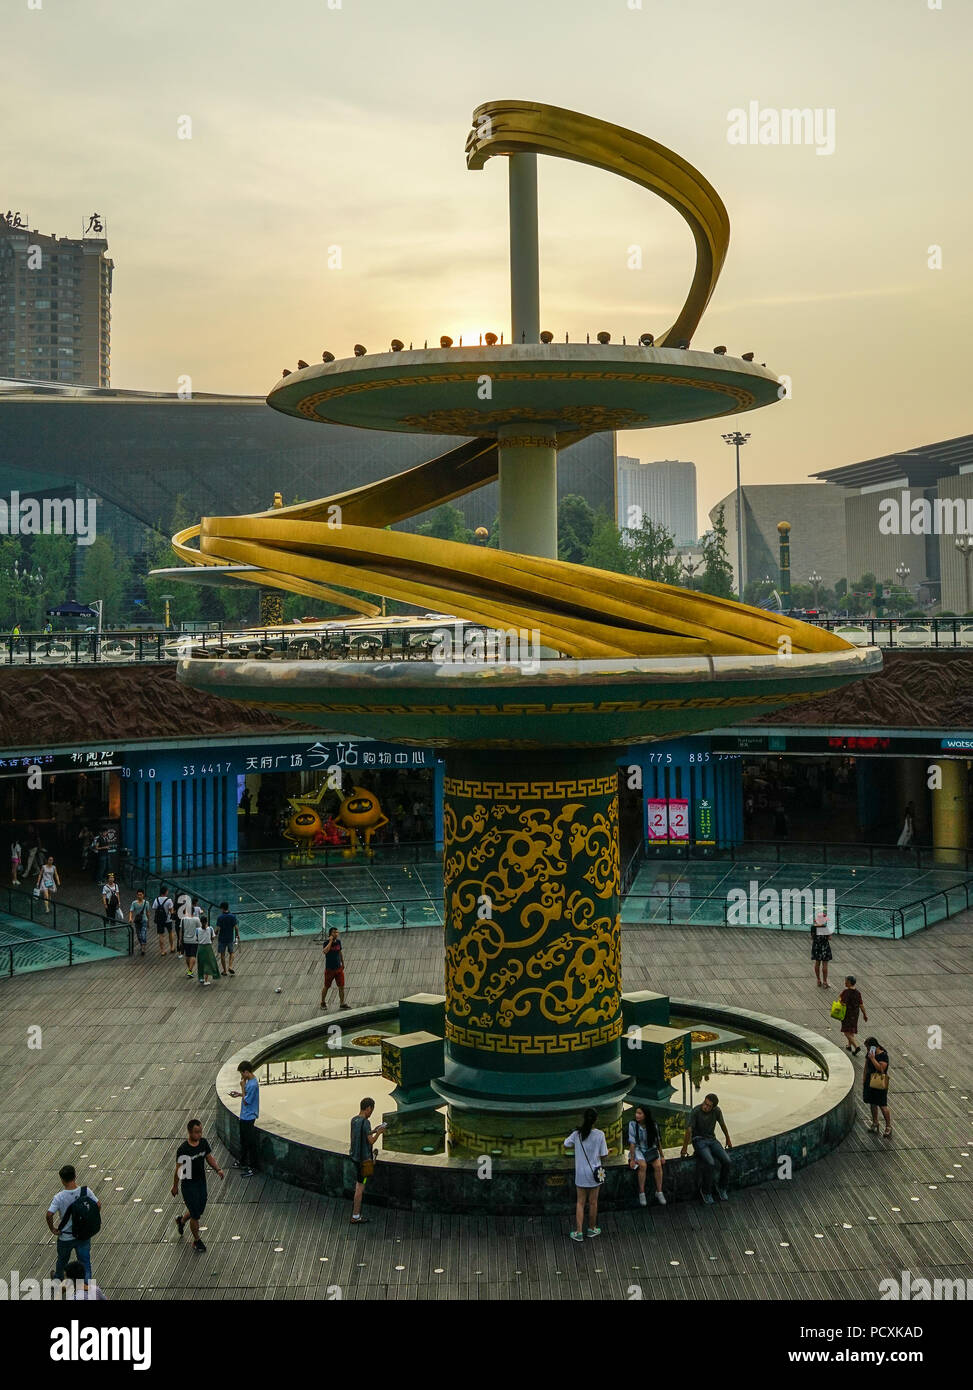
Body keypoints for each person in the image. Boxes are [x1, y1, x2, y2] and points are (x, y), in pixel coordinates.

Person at [171, 1118, 224, 1253]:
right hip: (189, 1185)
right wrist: (175, 1186)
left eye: (200, 1132)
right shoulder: (184, 1149)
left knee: (198, 1209)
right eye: (196, 1132)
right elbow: (178, 1169)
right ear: (189, 1132)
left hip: (201, 1182)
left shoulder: (203, 1143)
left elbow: (208, 1157)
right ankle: (196, 1240)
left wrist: (218, 1169)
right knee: (195, 1215)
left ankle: (181, 1221)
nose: (199, 1135)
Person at [46, 1163, 101, 1281]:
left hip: (65, 1236)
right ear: (75, 1176)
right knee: (85, 1261)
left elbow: (49, 1214)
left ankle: (58, 1279)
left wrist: (53, 1229)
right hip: (83, 1235)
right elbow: (98, 1204)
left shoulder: (59, 1197)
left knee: (62, 1260)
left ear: (62, 1180)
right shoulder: (85, 1191)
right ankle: (87, 1287)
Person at [564, 1107, 609, 1240]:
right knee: (593, 1203)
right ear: (596, 1119)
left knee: (580, 1203)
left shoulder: (577, 1134)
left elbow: (566, 1144)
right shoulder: (600, 1135)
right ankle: (592, 1228)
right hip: (595, 1174)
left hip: (581, 1173)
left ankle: (578, 1232)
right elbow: (604, 1154)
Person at [681, 1093, 732, 1204]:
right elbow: (689, 1130)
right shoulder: (696, 1111)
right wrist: (684, 1148)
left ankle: (722, 1187)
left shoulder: (717, 1111)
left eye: (708, 1106)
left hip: (712, 1140)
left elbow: (722, 1124)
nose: (705, 1106)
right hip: (698, 1140)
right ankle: (706, 1191)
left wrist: (728, 1138)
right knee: (710, 1162)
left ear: (713, 1107)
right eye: (705, 1103)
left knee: (727, 1160)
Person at [349, 1097, 387, 1223]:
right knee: (360, 1187)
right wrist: (379, 1133)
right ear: (368, 1108)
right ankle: (356, 1216)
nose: (371, 1113)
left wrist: (374, 1130)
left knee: (358, 1184)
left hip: (355, 1157)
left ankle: (356, 1214)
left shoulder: (354, 1120)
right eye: (372, 1110)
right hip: (363, 1162)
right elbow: (371, 1140)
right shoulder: (366, 1122)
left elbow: (360, 1135)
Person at [628, 1104, 666, 1207]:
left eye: (640, 1113)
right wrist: (632, 1159)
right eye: (636, 1113)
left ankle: (659, 1191)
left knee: (658, 1166)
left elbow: (658, 1141)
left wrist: (662, 1156)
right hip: (638, 1149)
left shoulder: (653, 1125)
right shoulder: (632, 1124)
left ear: (645, 1115)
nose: (637, 1115)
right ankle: (642, 1192)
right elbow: (632, 1143)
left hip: (650, 1148)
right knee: (643, 1165)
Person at [230, 1060, 259, 1176]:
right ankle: (242, 1161)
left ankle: (252, 1166)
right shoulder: (250, 1082)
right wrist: (239, 1094)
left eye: (242, 1073)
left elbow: (247, 1101)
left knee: (249, 1142)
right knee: (243, 1140)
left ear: (246, 1072)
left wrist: (242, 1087)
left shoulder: (252, 1084)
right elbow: (246, 1096)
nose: (241, 1076)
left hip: (249, 1116)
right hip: (245, 1115)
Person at [863, 1037, 892, 1138]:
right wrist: (864, 1079)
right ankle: (875, 1122)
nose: (867, 1050)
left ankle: (888, 1126)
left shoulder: (883, 1055)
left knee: (882, 1105)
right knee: (872, 1103)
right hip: (870, 1081)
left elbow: (881, 1069)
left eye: (867, 1047)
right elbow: (866, 1066)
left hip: (880, 1081)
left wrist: (872, 1058)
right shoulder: (869, 1054)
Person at [321, 925, 350, 1010]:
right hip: (329, 969)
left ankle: (342, 1003)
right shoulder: (326, 943)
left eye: (337, 932)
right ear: (330, 934)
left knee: (341, 986)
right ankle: (322, 1002)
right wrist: (330, 941)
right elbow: (325, 951)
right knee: (327, 986)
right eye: (334, 932)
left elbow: (340, 952)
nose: (336, 934)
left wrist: (343, 963)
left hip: (338, 968)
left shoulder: (338, 942)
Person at [838, 975, 867, 1054]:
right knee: (851, 1031)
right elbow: (861, 1005)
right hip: (855, 1014)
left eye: (846, 981)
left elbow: (843, 1003)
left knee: (846, 1032)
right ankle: (849, 1046)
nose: (845, 982)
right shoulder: (858, 993)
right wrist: (865, 1014)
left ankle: (856, 1046)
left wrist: (840, 998)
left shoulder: (846, 992)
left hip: (847, 1014)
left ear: (850, 982)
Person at [195, 911, 220, 986]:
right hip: (208, 948)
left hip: (200, 948)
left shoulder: (197, 930)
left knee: (201, 963)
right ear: (206, 922)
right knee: (209, 963)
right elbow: (213, 937)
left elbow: (196, 939)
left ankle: (201, 978)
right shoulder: (210, 929)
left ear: (200, 921)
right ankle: (206, 980)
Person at [216, 901, 239, 976]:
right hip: (230, 938)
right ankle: (230, 966)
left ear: (222, 908)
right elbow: (236, 928)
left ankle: (225, 971)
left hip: (222, 938)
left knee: (222, 955)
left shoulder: (220, 917)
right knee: (231, 953)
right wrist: (237, 935)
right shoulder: (232, 916)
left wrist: (214, 935)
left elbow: (218, 929)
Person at [811, 908, 833, 988]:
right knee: (825, 965)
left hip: (816, 947)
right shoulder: (824, 928)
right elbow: (829, 938)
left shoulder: (813, 927)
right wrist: (830, 934)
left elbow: (812, 937)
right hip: (824, 947)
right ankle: (825, 982)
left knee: (817, 963)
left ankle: (818, 980)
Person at [152, 884, 175, 956]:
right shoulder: (169, 900)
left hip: (159, 920)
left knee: (161, 935)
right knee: (170, 932)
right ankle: (172, 947)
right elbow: (171, 912)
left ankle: (162, 950)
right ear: (166, 892)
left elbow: (154, 908)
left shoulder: (156, 900)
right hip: (168, 919)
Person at [182, 901, 202, 979]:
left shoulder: (183, 919)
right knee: (193, 955)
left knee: (187, 955)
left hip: (185, 939)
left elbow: (181, 930)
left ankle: (190, 970)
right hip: (194, 939)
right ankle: (190, 970)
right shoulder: (196, 919)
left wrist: (181, 939)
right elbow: (200, 928)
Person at [128, 889, 150, 955]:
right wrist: (130, 918)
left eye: (141, 895)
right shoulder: (134, 903)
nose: (139, 896)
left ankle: (143, 948)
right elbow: (131, 911)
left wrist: (148, 922)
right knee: (138, 935)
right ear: (137, 895)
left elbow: (148, 913)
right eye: (138, 895)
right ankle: (142, 944)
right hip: (137, 921)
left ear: (143, 895)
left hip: (144, 920)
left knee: (143, 934)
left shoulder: (146, 903)